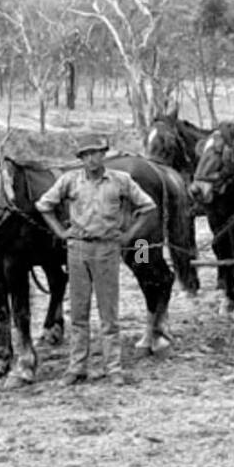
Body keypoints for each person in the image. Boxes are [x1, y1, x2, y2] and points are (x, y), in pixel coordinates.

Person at [35, 135, 157, 385]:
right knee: (79, 313)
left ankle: (113, 368)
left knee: (108, 313)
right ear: (80, 158)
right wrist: (60, 232)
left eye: (96, 153)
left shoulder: (120, 180)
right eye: (86, 154)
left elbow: (147, 206)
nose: (92, 159)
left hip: (107, 250)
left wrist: (129, 236)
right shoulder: (69, 181)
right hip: (77, 250)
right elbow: (44, 205)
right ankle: (76, 367)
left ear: (104, 154)